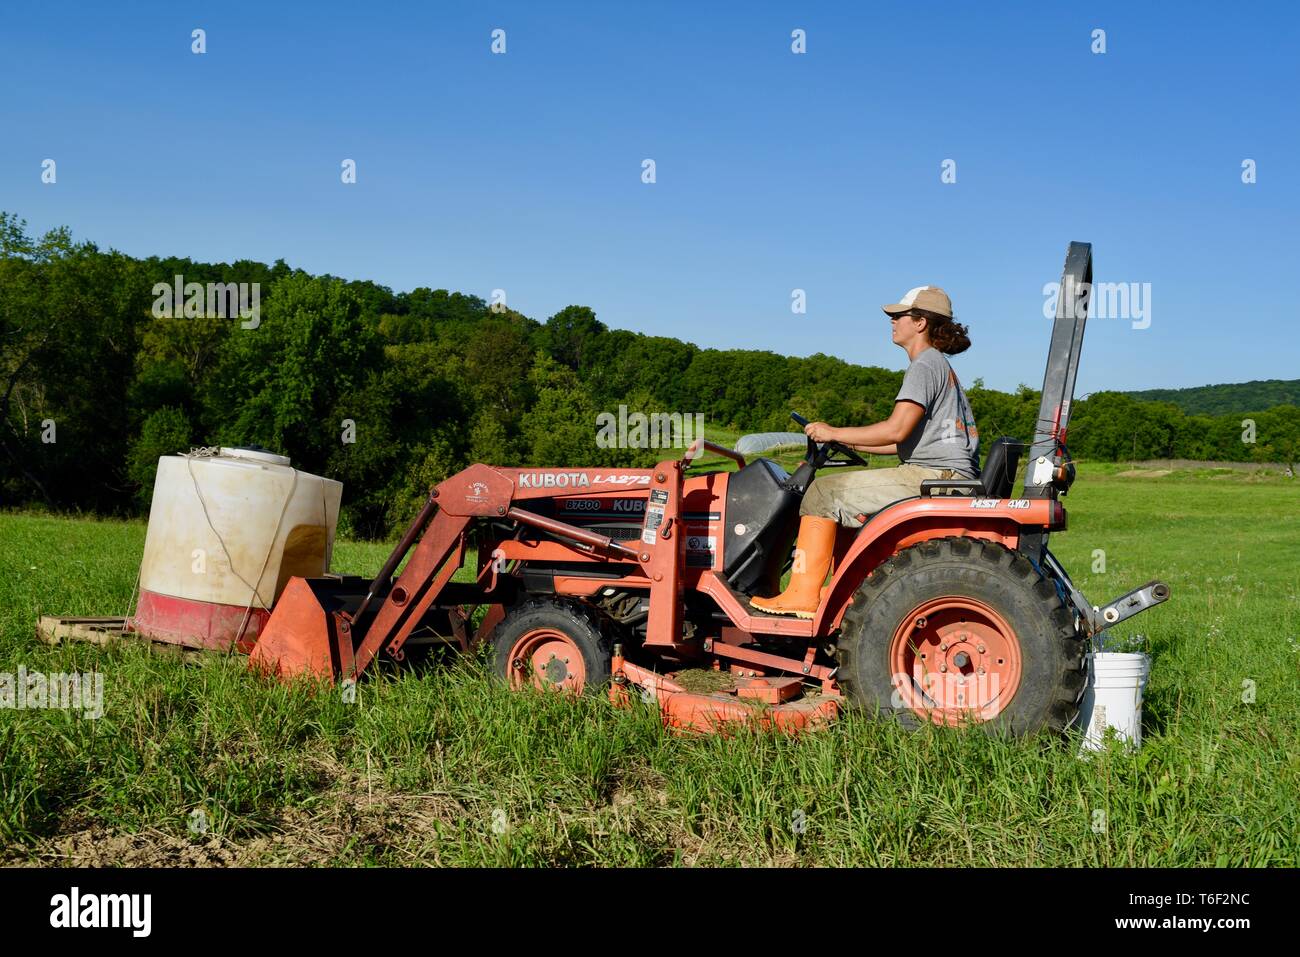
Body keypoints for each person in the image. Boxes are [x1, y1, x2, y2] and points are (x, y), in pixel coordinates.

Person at [750, 285, 981, 617]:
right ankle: (843, 594)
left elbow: (895, 428)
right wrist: (844, 441)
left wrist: (833, 431)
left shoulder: (925, 366)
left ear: (920, 323)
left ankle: (801, 595)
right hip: (942, 473)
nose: (892, 321)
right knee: (842, 505)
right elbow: (900, 442)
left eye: (899, 315)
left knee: (821, 494)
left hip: (935, 477)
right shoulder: (936, 366)